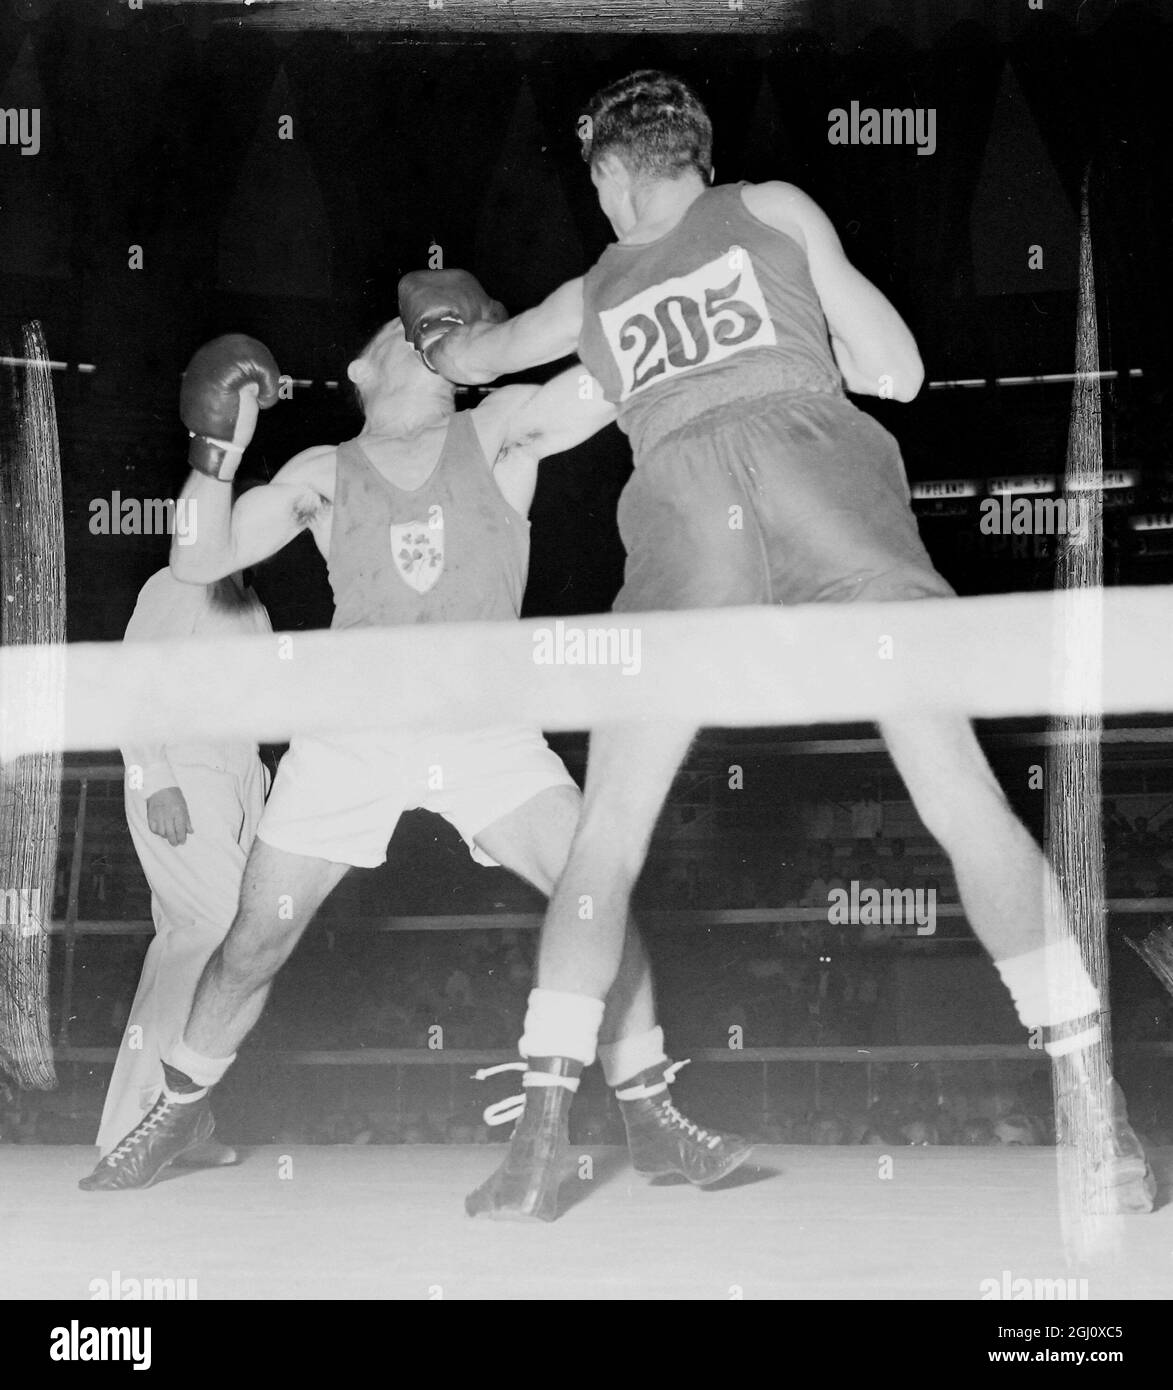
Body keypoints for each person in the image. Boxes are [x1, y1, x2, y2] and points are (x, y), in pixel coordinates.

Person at [421, 69, 1155, 1214]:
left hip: (681, 503)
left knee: (607, 833)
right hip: (821, 472)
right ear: (695, 159)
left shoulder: (593, 289)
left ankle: (541, 1144)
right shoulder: (773, 206)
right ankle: (1097, 1122)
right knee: (962, 798)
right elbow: (898, 371)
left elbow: (476, 360)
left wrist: (439, 326)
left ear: (614, 174)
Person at [80, 308, 750, 1217]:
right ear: (363, 367)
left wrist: (676, 303)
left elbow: (606, 384)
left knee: (594, 888)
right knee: (251, 943)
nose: (429, 337)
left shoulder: (499, 427)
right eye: (407, 331)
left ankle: (650, 1107)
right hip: (352, 732)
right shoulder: (324, 471)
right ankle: (172, 1110)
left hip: (483, 724)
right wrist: (216, 449)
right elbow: (200, 556)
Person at [95, 567, 271, 1164]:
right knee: (220, 939)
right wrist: (156, 777)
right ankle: (148, 1126)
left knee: (192, 946)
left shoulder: (249, 603)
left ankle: (165, 1124)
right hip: (181, 779)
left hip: (235, 789)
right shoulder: (178, 583)